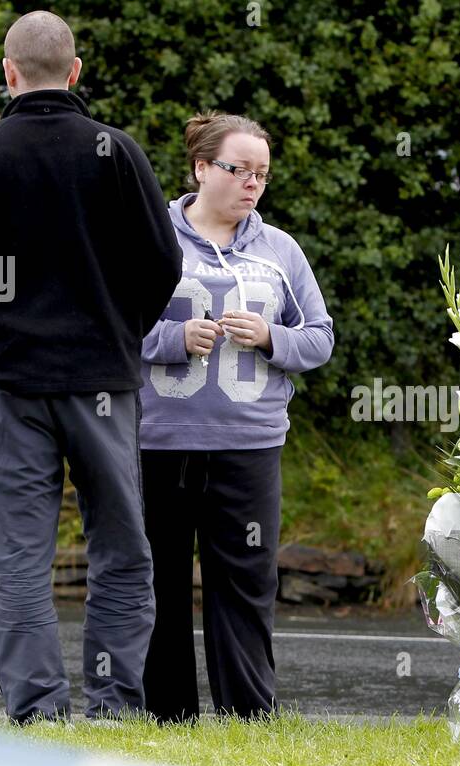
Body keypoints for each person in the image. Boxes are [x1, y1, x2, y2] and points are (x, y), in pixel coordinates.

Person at [0, 10, 183, 723]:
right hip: (102, 383)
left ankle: (38, 712)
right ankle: (115, 706)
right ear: (75, 72)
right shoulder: (115, 150)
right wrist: (120, 332)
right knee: (123, 550)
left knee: (17, 557)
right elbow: (164, 262)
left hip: (7, 385)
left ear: (9, 73)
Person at [139, 111, 334, 722]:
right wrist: (172, 338)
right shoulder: (152, 238)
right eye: (239, 169)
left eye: (262, 173)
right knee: (159, 584)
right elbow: (112, 327)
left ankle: (246, 717)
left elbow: (321, 338)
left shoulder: (280, 250)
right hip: (158, 442)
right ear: (200, 168)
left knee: (245, 586)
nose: (253, 183)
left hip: (248, 446)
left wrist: (273, 338)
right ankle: (165, 716)